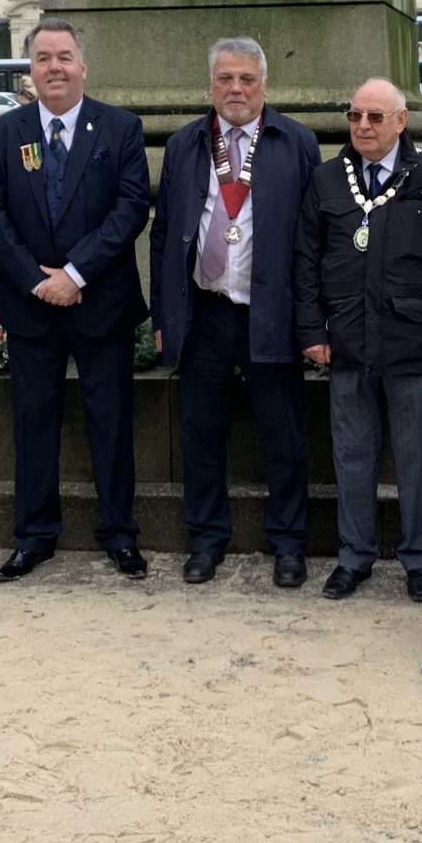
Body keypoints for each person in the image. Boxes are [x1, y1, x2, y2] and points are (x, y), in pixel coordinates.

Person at [0, 18, 153, 582]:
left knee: (112, 423)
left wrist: (75, 274)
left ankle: (120, 534)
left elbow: (130, 210)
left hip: (100, 303)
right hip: (32, 307)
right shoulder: (5, 133)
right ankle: (33, 536)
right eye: (44, 57)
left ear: (83, 65)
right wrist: (36, 279)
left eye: (64, 57)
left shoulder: (121, 128)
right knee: (33, 426)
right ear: (30, 68)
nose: (54, 66)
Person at [151, 38, 321, 588]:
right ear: (210, 86)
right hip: (204, 312)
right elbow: (162, 238)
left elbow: (315, 238)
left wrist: (311, 318)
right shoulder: (184, 145)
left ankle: (289, 543)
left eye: (246, 79)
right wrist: (162, 316)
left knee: (283, 434)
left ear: (264, 85)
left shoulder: (295, 142)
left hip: (271, 312)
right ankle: (206, 539)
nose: (236, 89)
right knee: (201, 431)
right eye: (225, 79)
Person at [296, 78, 422, 603]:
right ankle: (354, 556)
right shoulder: (327, 179)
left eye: (375, 117)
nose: (363, 127)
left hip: (412, 340)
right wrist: (310, 329)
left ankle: (419, 559)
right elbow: (305, 260)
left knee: (416, 455)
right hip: (345, 338)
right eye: (355, 117)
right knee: (352, 453)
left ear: (401, 121)